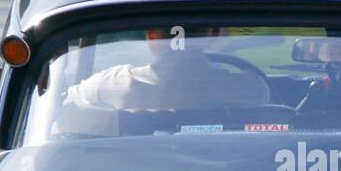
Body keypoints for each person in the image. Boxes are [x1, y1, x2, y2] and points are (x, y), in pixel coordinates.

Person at [64, 28, 269, 112]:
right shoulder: (251, 89)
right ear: (213, 35)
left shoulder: (105, 86)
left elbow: (62, 119)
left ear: (151, 36)